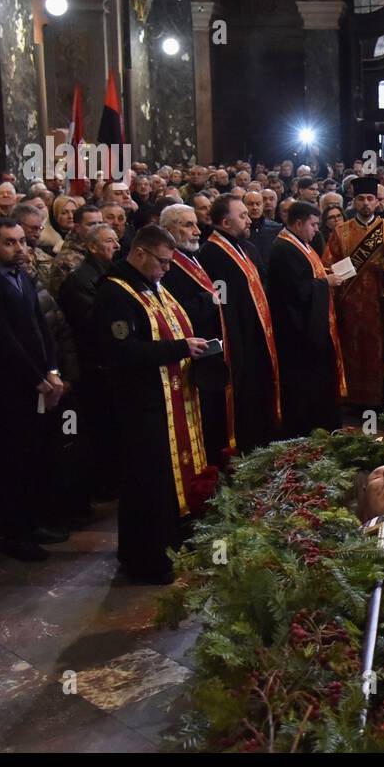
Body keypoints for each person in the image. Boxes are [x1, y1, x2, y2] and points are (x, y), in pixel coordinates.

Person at [94, 225, 214, 584]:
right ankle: (146, 558)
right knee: (147, 481)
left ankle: (173, 544)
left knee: (167, 478)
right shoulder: (115, 293)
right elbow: (121, 351)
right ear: (140, 253)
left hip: (171, 398)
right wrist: (179, 349)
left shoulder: (152, 284)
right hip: (142, 403)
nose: (166, 269)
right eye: (162, 262)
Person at [0, 218, 63, 561]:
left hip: (37, 382)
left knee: (36, 456)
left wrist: (52, 369)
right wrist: (37, 377)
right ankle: (15, 533)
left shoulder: (22, 275)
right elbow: (0, 339)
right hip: (6, 389)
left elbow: (40, 326)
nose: (19, 248)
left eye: (21, 241)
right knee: (13, 462)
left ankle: (34, 523)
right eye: (10, 242)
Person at [199, 196, 281, 452]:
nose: (250, 219)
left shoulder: (244, 247)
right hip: (238, 341)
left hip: (256, 337)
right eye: (243, 215)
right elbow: (222, 307)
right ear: (225, 221)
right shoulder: (212, 253)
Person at [322, 177, 384, 413]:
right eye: (361, 199)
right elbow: (327, 265)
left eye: (370, 199)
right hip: (349, 303)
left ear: (378, 202)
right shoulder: (340, 232)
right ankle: (352, 400)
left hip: (381, 303)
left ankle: (381, 399)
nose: (366, 203)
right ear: (353, 201)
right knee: (352, 349)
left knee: (379, 349)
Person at [268, 202, 345, 436]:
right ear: (298, 223)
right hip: (297, 333)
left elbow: (307, 276)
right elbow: (294, 291)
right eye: (312, 225)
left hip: (311, 326)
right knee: (305, 385)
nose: (316, 230)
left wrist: (324, 275)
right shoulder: (284, 248)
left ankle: (323, 428)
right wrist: (326, 283)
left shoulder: (301, 244)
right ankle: (307, 432)